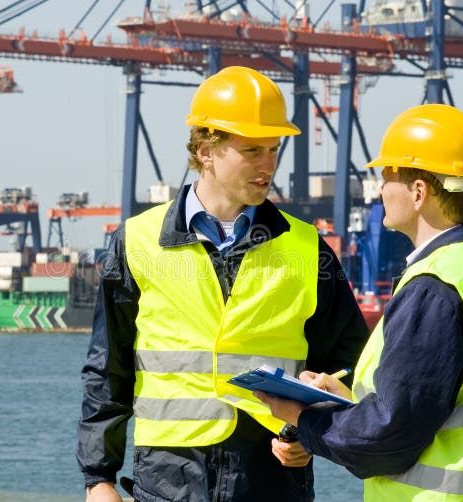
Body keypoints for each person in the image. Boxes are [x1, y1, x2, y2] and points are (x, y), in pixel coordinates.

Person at [76, 65, 370, 501]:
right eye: (252, 149)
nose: (267, 164)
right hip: (168, 484)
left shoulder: (309, 249)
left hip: (271, 481)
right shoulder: (135, 242)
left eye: (274, 149)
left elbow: (347, 371)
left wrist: (311, 434)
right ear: (205, 149)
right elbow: (107, 370)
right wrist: (98, 479)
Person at [258, 103, 463, 501]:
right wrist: (347, 403)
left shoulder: (434, 288)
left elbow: (386, 440)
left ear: (418, 192)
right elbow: (434, 405)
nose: (379, 188)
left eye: (386, 175)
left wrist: (301, 417)